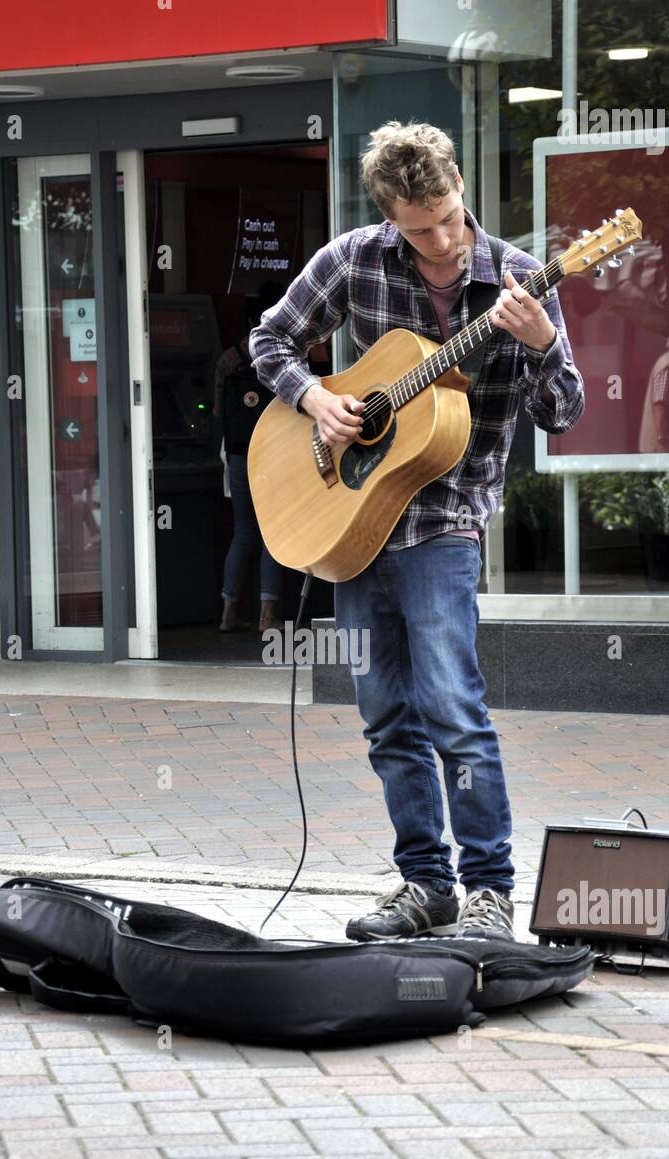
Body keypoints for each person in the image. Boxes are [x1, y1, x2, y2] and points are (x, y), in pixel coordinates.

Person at [249, 121, 584, 942]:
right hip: (354, 523)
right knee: (385, 715)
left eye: (445, 216)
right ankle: (422, 884)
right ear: (388, 216)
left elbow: (564, 409)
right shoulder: (355, 258)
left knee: (452, 708)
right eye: (416, 226)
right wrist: (315, 400)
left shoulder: (518, 278)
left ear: (460, 186)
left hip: (444, 522)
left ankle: (488, 892)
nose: (436, 239)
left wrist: (541, 342)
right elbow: (268, 340)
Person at [214, 289, 285, 634]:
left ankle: (228, 611)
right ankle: (266, 616)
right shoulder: (279, 356)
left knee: (243, 533)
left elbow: (216, 413)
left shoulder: (229, 358)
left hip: (238, 453)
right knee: (271, 535)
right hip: (271, 454)